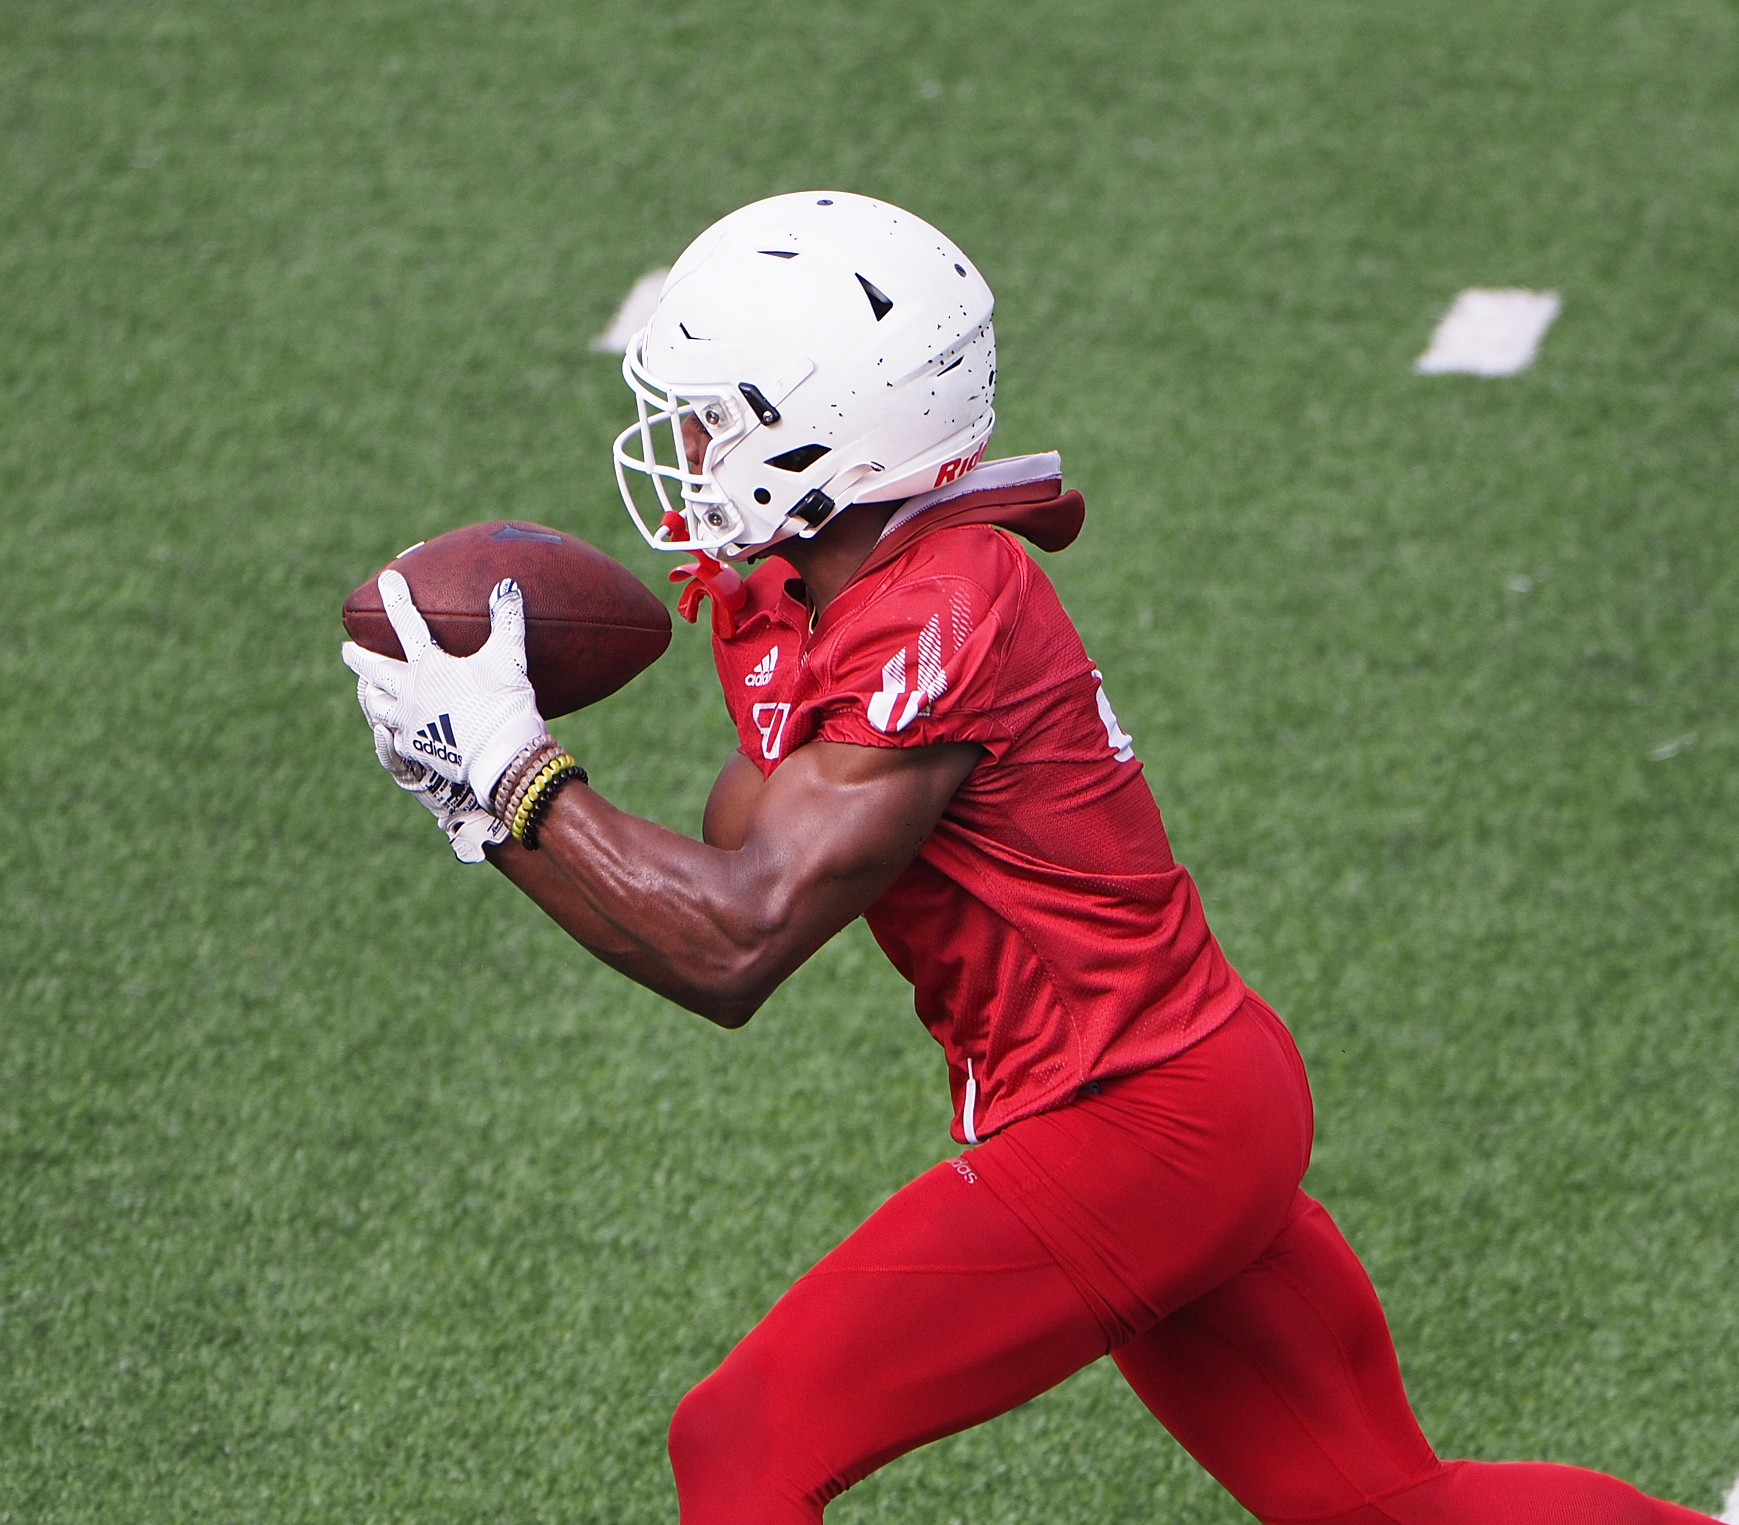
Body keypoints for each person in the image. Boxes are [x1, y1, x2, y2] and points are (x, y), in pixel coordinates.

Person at [343, 193, 1723, 1525]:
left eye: (716, 414)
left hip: (1139, 1121)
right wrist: (494, 792)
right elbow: (741, 848)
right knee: (1377, 1501)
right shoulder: (801, 595)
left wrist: (511, 773)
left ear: (821, 428)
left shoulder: (948, 600)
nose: (689, 444)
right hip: (1183, 1092)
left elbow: (736, 939)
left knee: (742, 1440)